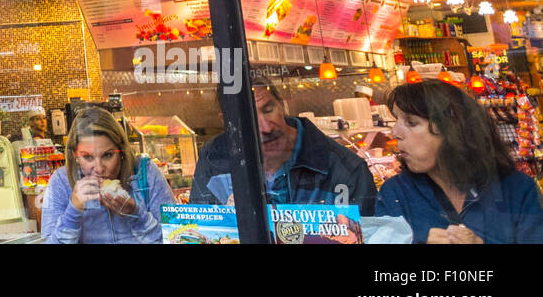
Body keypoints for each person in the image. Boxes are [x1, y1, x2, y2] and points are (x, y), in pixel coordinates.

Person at [376, 81, 543, 244]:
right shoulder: (394, 194)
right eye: (396, 121)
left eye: (412, 123)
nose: (395, 133)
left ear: (453, 130)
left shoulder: (517, 189)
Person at [189, 82, 377, 214]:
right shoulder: (214, 157)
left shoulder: (345, 170)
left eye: (269, 109)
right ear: (228, 122)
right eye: (248, 117)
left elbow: (363, 234)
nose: (266, 127)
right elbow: (201, 227)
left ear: (282, 106)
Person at [41, 106, 174, 243]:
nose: (98, 168)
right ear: (75, 156)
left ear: (121, 152)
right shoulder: (61, 182)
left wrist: (136, 214)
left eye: (108, 155)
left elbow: (175, 237)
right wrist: (73, 212)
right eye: (87, 157)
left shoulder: (145, 172)